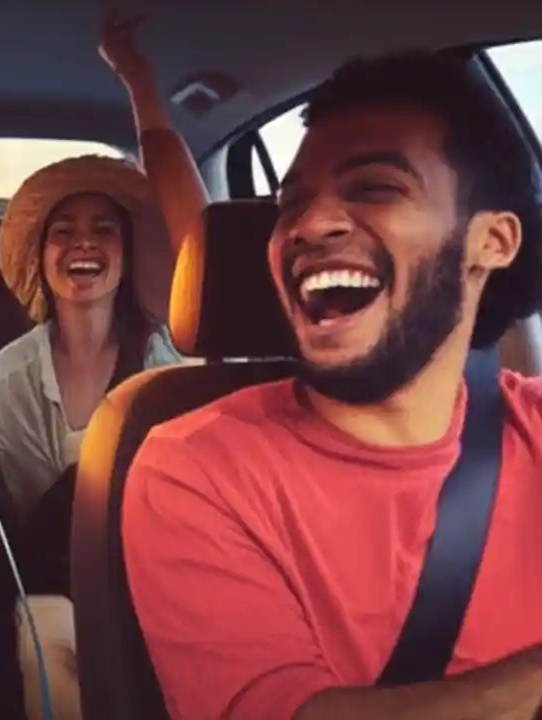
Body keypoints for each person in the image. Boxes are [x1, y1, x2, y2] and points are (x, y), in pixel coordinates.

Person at [123, 51, 542, 720]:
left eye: (375, 187)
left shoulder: (532, 425)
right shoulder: (196, 465)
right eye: (290, 203)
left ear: (491, 241)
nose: (309, 225)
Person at [0, 10, 208, 720]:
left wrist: (141, 84)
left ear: (129, 251)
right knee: (51, 630)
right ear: (41, 259)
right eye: (63, 232)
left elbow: (201, 232)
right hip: (55, 599)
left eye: (104, 228)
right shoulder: (4, 378)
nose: (84, 244)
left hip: (171, 576)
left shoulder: (176, 358)